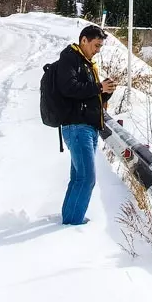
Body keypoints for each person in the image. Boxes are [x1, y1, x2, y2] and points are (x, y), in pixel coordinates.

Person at [56, 24, 117, 225]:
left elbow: (88, 94)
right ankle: (72, 224)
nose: (97, 50)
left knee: (78, 179)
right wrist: (98, 86)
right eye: (96, 45)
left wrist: (105, 90)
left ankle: (69, 218)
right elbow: (69, 88)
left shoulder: (86, 63)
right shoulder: (70, 59)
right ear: (84, 40)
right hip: (77, 126)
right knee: (87, 179)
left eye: (100, 46)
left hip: (87, 127)